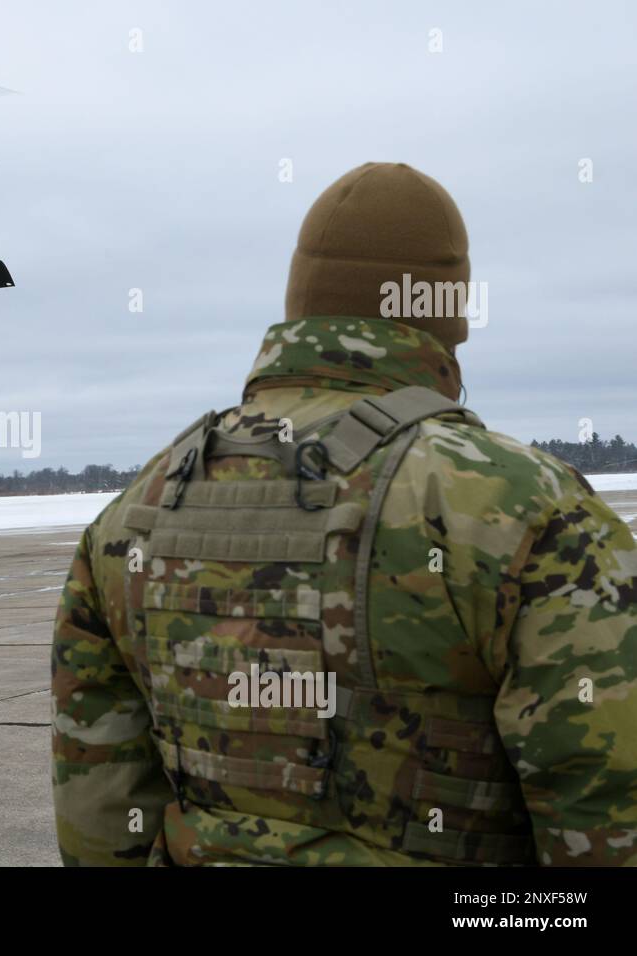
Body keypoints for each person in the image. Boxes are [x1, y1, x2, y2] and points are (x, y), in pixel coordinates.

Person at [51, 162, 637, 867]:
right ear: (448, 315)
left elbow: (100, 814)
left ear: (300, 301)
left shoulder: (129, 517)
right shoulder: (526, 507)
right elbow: (607, 809)